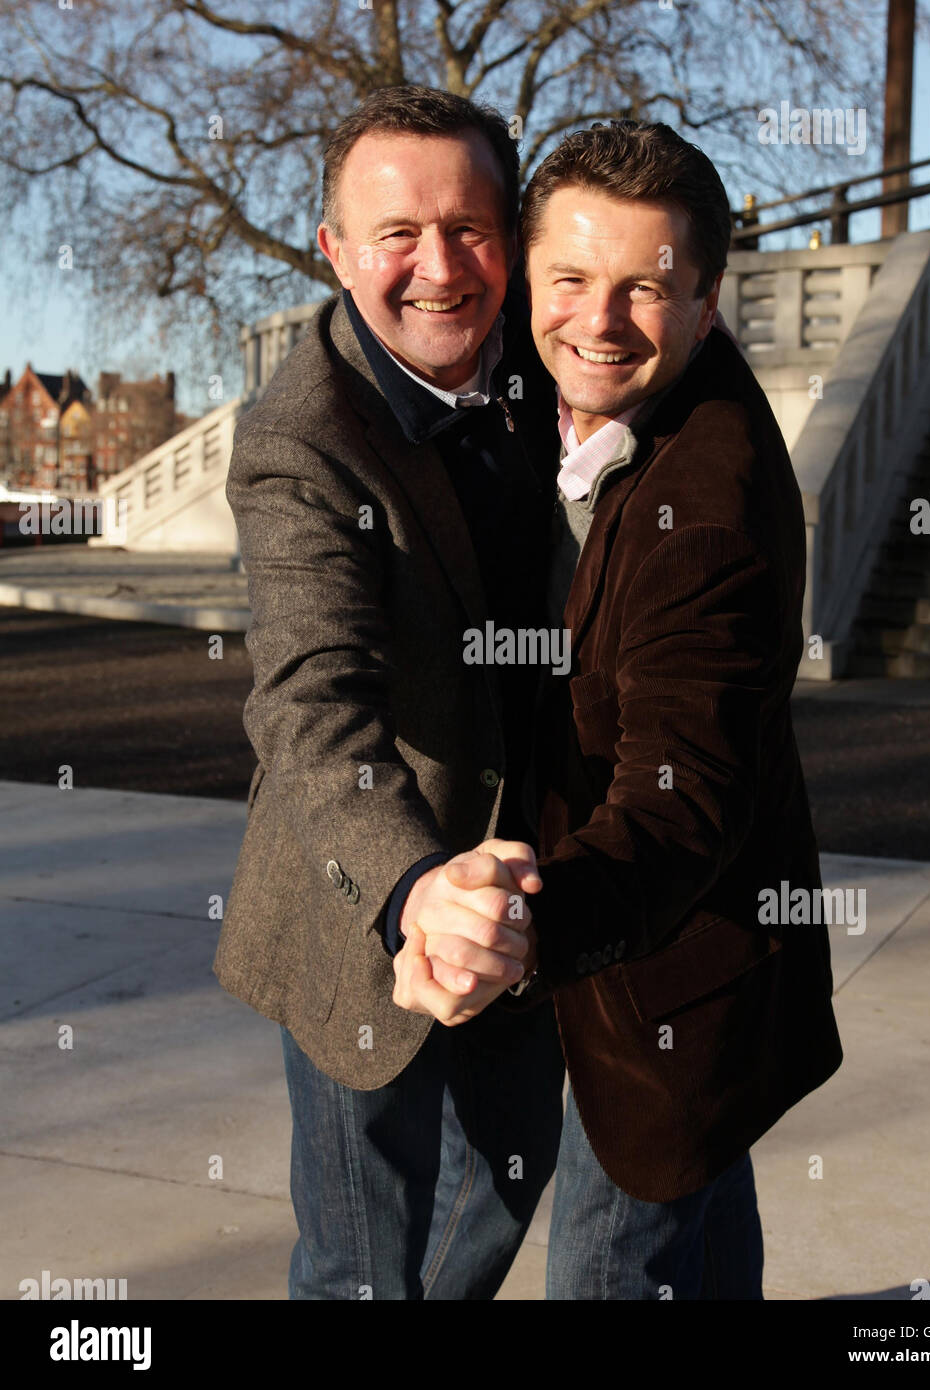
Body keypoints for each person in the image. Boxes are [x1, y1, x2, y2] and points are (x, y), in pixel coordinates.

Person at [393, 120, 844, 1300]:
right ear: (523, 277)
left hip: (664, 970)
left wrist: (520, 928)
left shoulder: (707, 514)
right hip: (637, 940)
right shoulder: (545, 409)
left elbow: (681, 798)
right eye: (570, 279)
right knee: (700, 1233)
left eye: (645, 286)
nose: (597, 320)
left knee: (608, 1264)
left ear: (703, 301)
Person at [213, 85, 567, 1300]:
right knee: (359, 1263)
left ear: (513, 240)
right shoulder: (298, 438)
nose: (437, 268)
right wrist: (418, 888)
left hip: (528, 874)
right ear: (335, 251)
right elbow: (310, 703)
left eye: (468, 228)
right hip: (356, 893)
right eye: (394, 235)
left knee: (510, 1180)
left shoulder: (554, 361)